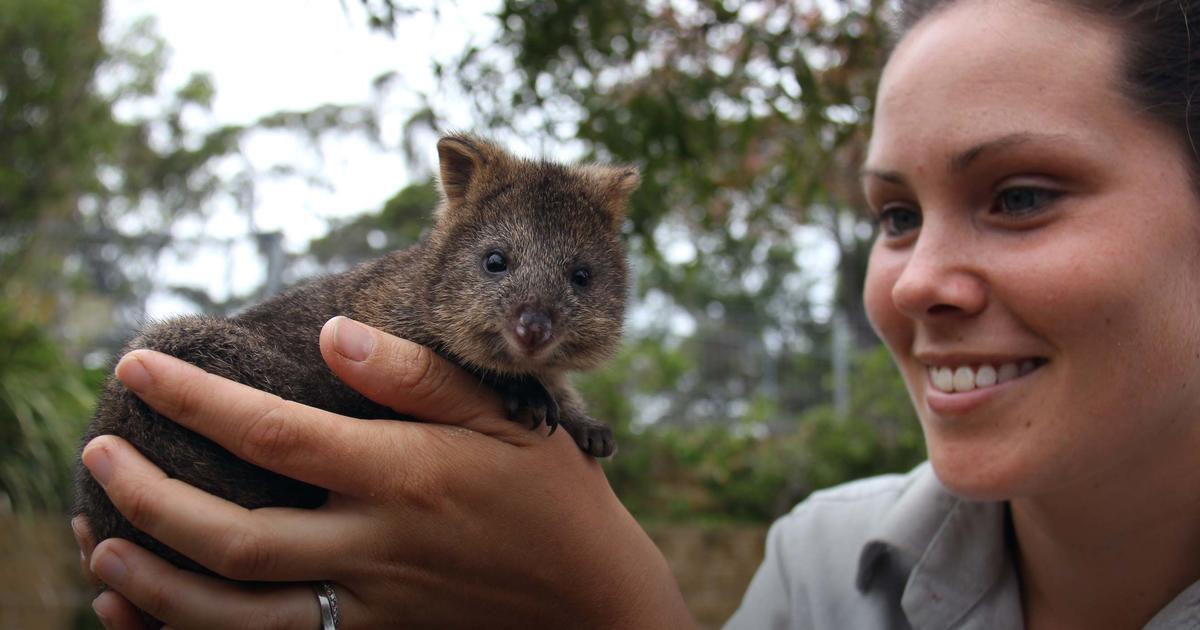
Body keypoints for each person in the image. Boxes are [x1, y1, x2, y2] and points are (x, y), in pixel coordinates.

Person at [73, 0, 1200, 627]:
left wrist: (615, 602)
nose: (917, 284)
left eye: (1023, 197)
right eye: (894, 215)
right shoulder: (821, 570)